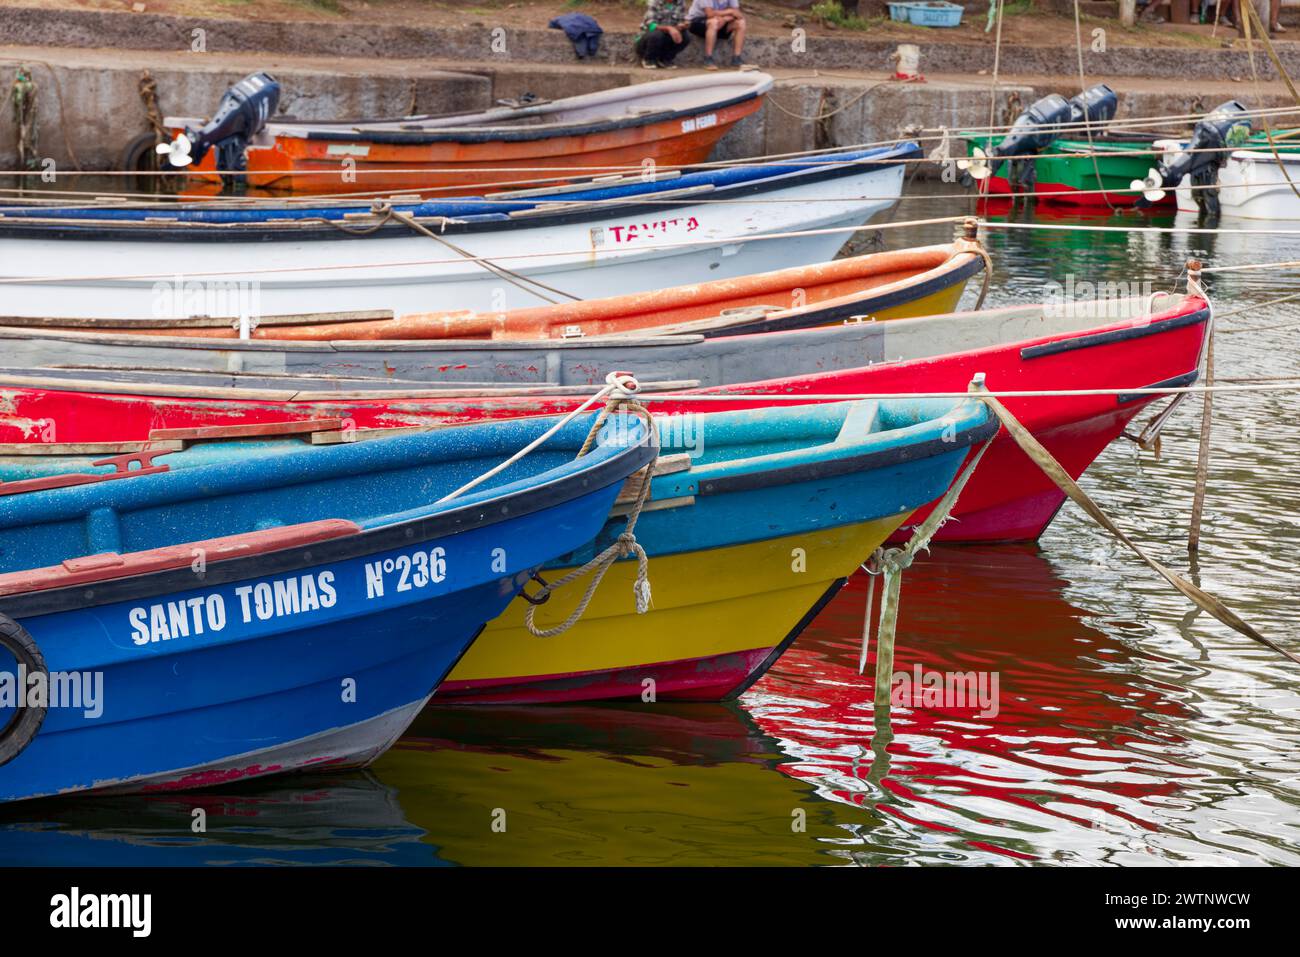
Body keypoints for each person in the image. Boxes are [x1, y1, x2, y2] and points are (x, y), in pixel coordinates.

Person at [687, 0, 748, 70]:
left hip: (719, 21)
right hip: (697, 22)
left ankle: (736, 58)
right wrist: (730, 11)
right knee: (713, 22)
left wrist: (725, 19)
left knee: (741, 23)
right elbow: (709, 13)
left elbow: (738, 14)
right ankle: (708, 58)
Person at [636, 1, 691, 69]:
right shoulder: (654, 2)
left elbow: (683, 19)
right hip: (647, 39)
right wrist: (669, 28)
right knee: (657, 34)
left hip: (666, 37)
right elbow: (650, 25)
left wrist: (683, 25)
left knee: (686, 36)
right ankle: (648, 59)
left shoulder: (680, 2)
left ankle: (665, 59)